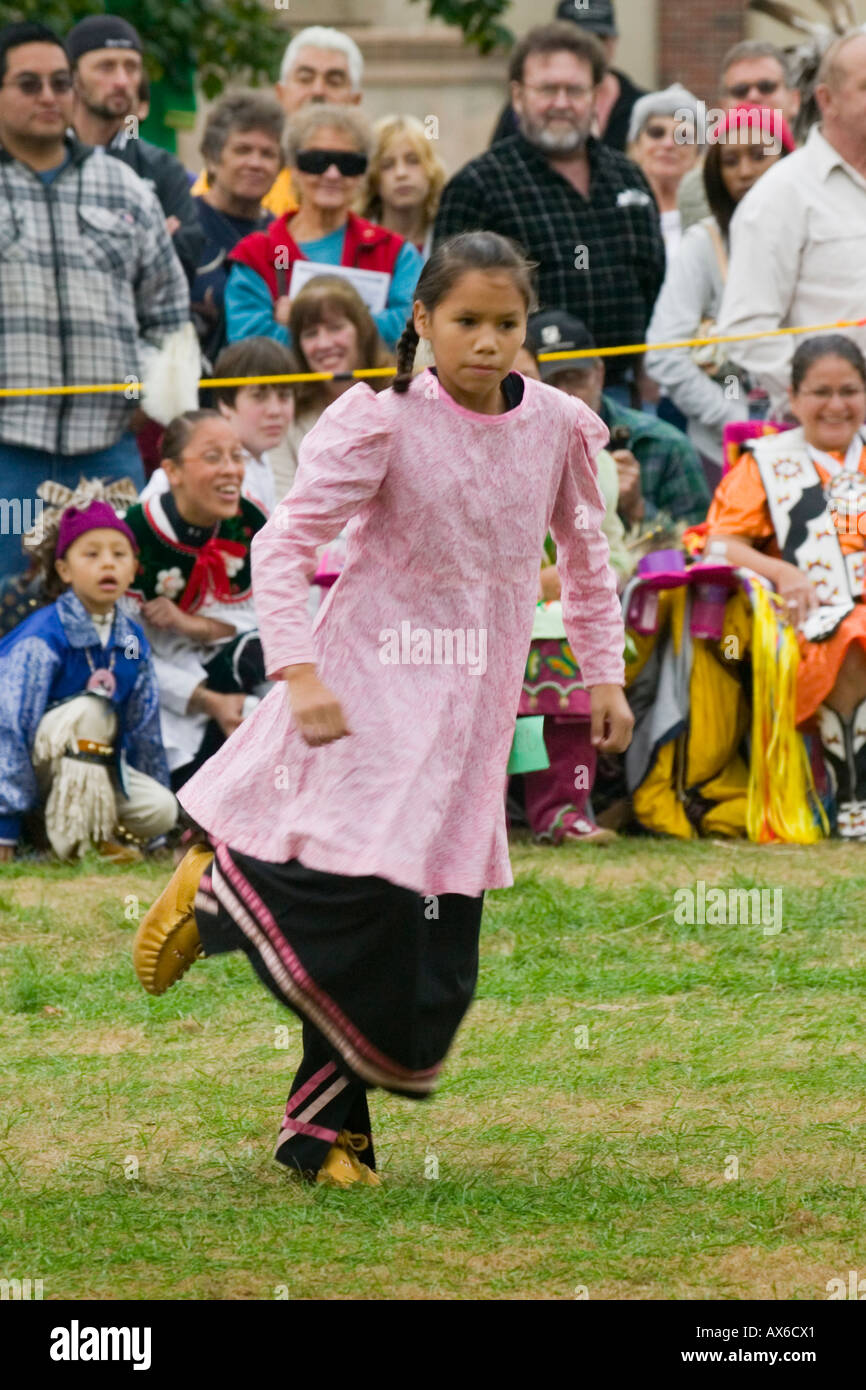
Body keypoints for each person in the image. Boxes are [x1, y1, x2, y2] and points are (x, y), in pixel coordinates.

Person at [130, 230, 633, 1188]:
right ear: (424, 324)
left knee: (426, 924)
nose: (487, 342)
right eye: (466, 322)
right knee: (372, 896)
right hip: (370, 687)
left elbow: (584, 554)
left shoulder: (559, 426)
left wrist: (602, 673)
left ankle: (325, 1128)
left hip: (476, 700)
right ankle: (221, 894)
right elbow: (285, 547)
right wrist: (301, 670)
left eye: (506, 323)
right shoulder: (383, 418)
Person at [0, 21, 190, 582]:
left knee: (113, 607)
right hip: (8, 453)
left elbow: (169, 315)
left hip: (109, 450)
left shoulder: (127, 189)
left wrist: (145, 399)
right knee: (9, 610)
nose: (49, 96)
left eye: (60, 82)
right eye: (28, 84)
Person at [434, 23, 665, 405]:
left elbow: (655, 285)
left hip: (624, 394)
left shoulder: (629, 176)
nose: (561, 102)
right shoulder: (477, 186)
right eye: (547, 89)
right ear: (518, 96)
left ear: (595, 97)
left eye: (574, 90)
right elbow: (451, 305)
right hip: (518, 395)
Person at [704, 335, 866, 837]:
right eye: (821, 392)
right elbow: (718, 544)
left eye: (850, 391)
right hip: (811, 616)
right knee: (854, 636)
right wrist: (783, 571)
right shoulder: (767, 461)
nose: (836, 405)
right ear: (793, 398)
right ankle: (852, 799)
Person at [0, 493, 175, 863]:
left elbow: (144, 729)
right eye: (91, 554)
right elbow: (9, 727)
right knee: (90, 711)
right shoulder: (44, 636)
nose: (107, 563)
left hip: (97, 766)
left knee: (161, 809)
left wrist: (158, 841)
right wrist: (5, 828)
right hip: (32, 773)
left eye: (118, 554)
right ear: (64, 571)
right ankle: (67, 849)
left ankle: (93, 838)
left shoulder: (130, 640)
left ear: (133, 569)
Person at [509, 334, 632, 846]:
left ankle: (557, 808)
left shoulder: (579, 446)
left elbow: (612, 548)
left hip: (560, 610)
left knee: (559, 650)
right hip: (463, 615)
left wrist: (560, 579)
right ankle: (485, 811)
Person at [717, 32, 866, 419]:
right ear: (826, 101)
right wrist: (827, 403)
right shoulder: (780, 195)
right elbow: (748, 330)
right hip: (830, 437)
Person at [645, 106, 795, 476]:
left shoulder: (819, 234)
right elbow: (664, 354)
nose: (745, 171)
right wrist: (737, 416)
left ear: (790, 160)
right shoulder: (703, 244)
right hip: (723, 450)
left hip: (822, 434)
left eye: (759, 156)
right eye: (730, 161)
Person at [123, 411, 269, 790]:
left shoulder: (250, 521)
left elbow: (268, 619)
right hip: (161, 692)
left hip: (233, 672)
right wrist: (207, 701)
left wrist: (192, 625)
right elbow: (125, 654)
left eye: (236, 456)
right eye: (212, 457)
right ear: (171, 471)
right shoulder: (130, 537)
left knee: (266, 654)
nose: (230, 470)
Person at [225, 104, 423, 353]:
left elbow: (412, 326)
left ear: (363, 174)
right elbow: (251, 346)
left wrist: (300, 321)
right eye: (317, 161)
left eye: (348, 163)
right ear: (293, 168)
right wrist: (364, 329)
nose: (332, 174)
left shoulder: (395, 253)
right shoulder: (257, 254)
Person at [528, 310, 710, 528]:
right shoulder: (505, 455)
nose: (563, 394)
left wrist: (637, 508)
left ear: (599, 373)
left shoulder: (665, 445)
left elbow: (701, 548)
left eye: (574, 378)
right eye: (547, 383)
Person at [66, 15, 203, 285]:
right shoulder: (43, 159)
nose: (122, 80)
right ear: (72, 76)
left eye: (132, 68)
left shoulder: (162, 167)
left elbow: (184, 263)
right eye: (106, 67)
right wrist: (148, 240)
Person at [191, 26, 364, 221]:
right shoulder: (238, 169)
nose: (318, 91)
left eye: (333, 81)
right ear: (281, 93)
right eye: (305, 79)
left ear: (355, 100)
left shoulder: (376, 177)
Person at [267, 276, 393, 498]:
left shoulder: (400, 394)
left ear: (362, 330)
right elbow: (282, 504)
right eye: (310, 334)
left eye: (335, 328)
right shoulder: (288, 413)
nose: (323, 344)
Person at [141, 338, 297, 515]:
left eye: (284, 396)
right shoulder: (176, 475)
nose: (275, 411)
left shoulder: (262, 458)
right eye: (259, 397)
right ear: (225, 404)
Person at [191, 91, 285, 363]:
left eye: (268, 154)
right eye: (242, 150)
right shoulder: (180, 226)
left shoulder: (283, 239)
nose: (255, 163)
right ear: (212, 158)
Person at [678, 40, 802, 234]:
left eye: (766, 86)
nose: (753, 96)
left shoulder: (820, 170)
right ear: (723, 106)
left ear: (794, 100)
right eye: (740, 90)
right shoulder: (697, 187)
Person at [490, 0, 646, 153]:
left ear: (613, 42)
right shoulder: (526, 106)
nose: (589, 50)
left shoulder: (644, 106)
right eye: (576, 42)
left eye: (599, 39)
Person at [626, 84, 700, 261]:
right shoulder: (615, 206)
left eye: (683, 136)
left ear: (698, 153)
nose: (668, 144)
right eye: (656, 133)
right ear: (635, 146)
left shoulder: (712, 212)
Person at [361, 114, 447, 260]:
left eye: (413, 161)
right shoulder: (356, 241)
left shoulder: (448, 236)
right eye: (387, 165)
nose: (401, 173)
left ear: (431, 168)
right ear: (373, 177)